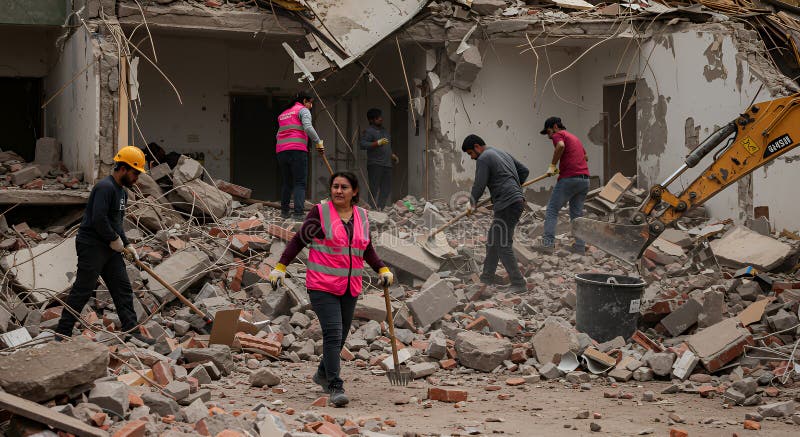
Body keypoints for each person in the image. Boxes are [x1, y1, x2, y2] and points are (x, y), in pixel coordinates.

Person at [268, 172, 393, 407]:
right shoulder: (320, 213)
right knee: (333, 333)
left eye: (344, 187)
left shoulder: (362, 216)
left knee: (341, 335)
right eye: (335, 186)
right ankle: (335, 385)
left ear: (354, 191)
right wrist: (280, 266)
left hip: (350, 286)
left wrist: (382, 269)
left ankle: (322, 373)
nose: (338, 191)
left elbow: (366, 249)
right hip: (322, 285)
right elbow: (298, 241)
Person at [55, 146, 155, 345]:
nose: (137, 178)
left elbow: (116, 222)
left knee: (122, 287)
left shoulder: (122, 193)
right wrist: (113, 239)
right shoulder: (104, 187)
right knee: (84, 288)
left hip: (110, 247)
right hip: (91, 244)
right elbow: (99, 219)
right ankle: (62, 333)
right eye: (136, 173)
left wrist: (126, 244)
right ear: (124, 168)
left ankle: (131, 331)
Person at [462, 135, 529, 293]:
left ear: (477, 146)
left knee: (502, 243)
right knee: (493, 240)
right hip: (515, 201)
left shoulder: (484, 158)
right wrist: (512, 187)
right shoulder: (501, 153)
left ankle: (519, 284)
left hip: (508, 204)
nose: (471, 157)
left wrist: (472, 202)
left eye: (471, 153)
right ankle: (487, 278)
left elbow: (480, 184)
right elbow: (524, 171)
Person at [534, 116, 590, 254]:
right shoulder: (574, 138)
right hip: (584, 180)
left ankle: (547, 244)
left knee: (552, 210)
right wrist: (566, 163)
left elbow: (560, 146)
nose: (549, 136)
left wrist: (553, 165)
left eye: (548, 132)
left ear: (554, 127)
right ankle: (580, 247)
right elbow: (586, 156)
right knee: (577, 215)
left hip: (569, 179)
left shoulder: (558, 135)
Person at [276, 91, 324, 220]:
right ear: (304, 101)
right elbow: (308, 128)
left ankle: (284, 212)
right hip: (297, 150)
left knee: (287, 183)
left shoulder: (283, 114)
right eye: (310, 102)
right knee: (300, 183)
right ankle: (298, 214)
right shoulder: (303, 110)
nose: (311, 106)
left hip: (281, 151)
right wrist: (318, 142)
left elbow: (278, 135)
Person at [359, 108, 398, 210]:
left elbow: (386, 147)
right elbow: (362, 144)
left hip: (387, 164)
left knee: (386, 188)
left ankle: (381, 207)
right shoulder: (369, 131)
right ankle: (372, 207)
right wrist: (377, 143)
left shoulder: (384, 131)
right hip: (375, 164)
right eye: (377, 118)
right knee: (374, 188)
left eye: (380, 117)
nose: (380, 119)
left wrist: (392, 155)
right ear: (371, 120)